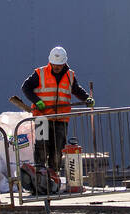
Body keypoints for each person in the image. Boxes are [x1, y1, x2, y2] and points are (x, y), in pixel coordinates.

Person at [21, 46, 93, 174]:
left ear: (64, 63)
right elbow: (26, 87)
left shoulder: (70, 75)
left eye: (59, 65)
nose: (56, 67)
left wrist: (87, 98)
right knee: (41, 147)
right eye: (54, 64)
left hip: (61, 118)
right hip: (42, 117)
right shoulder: (40, 73)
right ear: (50, 62)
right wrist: (36, 101)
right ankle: (39, 174)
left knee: (57, 149)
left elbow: (76, 89)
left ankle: (53, 175)